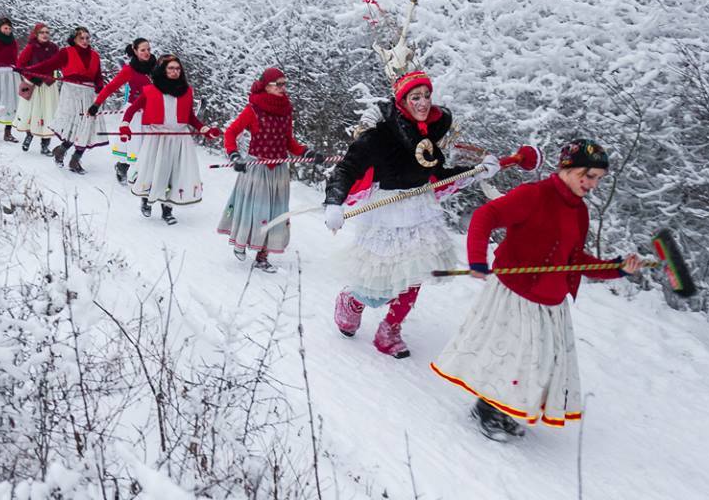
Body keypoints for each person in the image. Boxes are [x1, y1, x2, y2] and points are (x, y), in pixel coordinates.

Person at [431, 139, 641, 441]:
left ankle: (502, 407)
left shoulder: (579, 211)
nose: (592, 184)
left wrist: (617, 267)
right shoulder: (534, 195)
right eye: (588, 175)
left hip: (550, 301)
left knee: (536, 362)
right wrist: (478, 259)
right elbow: (484, 217)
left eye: (598, 178)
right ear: (567, 168)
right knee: (514, 355)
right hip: (516, 294)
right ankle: (487, 410)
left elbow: (575, 261)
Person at [323, 71, 499, 358]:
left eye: (427, 96)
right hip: (387, 213)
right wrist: (334, 203)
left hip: (420, 210)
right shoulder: (380, 136)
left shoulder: (428, 133)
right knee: (378, 283)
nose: (423, 103)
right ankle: (353, 300)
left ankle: (390, 329)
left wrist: (478, 171)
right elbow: (347, 168)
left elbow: (439, 174)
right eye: (415, 97)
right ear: (403, 99)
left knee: (415, 272)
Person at [217, 67, 324, 272]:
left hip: (279, 170)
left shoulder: (286, 110)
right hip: (258, 168)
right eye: (279, 84)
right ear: (266, 85)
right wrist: (234, 154)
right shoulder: (253, 109)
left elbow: (288, 141)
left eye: (285, 84)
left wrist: (307, 153)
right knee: (254, 210)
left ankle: (262, 255)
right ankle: (242, 241)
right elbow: (231, 133)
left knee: (275, 212)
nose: (283, 88)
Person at [120, 55, 220, 224]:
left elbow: (189, 117)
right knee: (153, 170)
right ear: (163, 70)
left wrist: (205, 130)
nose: (175, 72)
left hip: (179, 140)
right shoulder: (151, 90)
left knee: (175, 173)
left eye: (178, 69)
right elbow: (132, 110)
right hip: (157, 138)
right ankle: (146, 199)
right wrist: (125, 126)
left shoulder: (186, 91)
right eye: (171, 68)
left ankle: (167, 210)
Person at [21, 26, 105, 174]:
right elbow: (49, 65)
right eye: (81, 38)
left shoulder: (95, 55)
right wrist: (29, 69)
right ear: (74, 39)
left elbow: (98, 76)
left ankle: (74, 159)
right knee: (74, 126)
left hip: (88, 93)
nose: (85, 41)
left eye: (87, 38)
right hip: (71, 92)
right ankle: (63, 150)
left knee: (87, 126)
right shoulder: (66, 53)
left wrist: (99, 88)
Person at [89, 38, 156, 184]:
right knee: (134, 144)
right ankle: (122, 166)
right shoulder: (129, 70)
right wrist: (96, 104)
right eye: (143, 50)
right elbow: (110, 87)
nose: (146, 53)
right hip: (135, 112)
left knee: (150, 145)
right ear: (135, 50)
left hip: (153, 111)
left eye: (148, 49)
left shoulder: (156, 67)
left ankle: (144, 175)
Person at [13, 23, 60, 156]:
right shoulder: (30, 48)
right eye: (42, 32)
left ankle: (45, 145)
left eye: (47, 32)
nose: (45, 35)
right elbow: (20, 65)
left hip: (49, 85)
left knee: (48, 113)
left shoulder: (54, 48)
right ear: (36, 34)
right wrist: (31, 75)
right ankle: (29, 135)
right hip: (33, 84)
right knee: (32, 112)